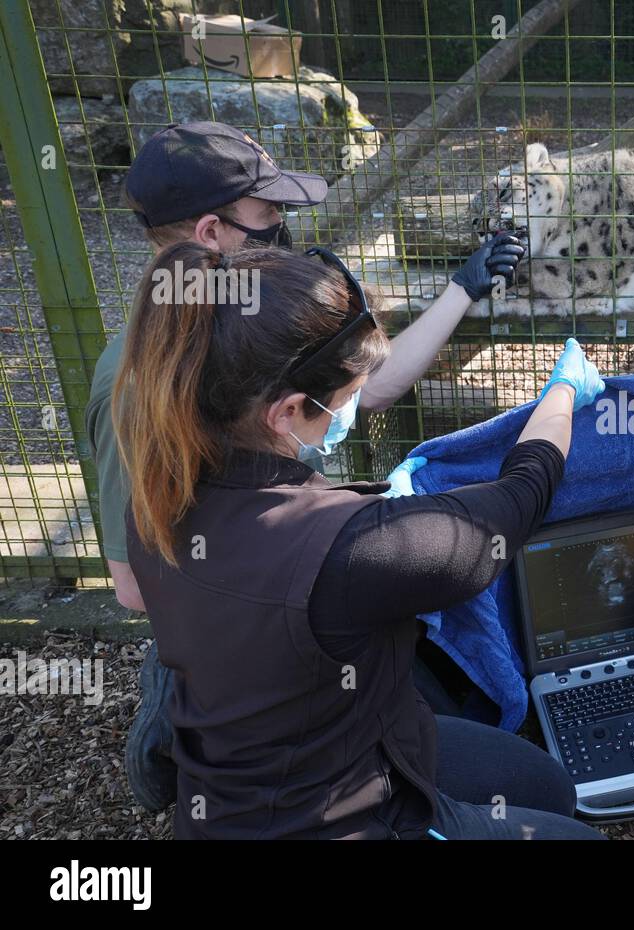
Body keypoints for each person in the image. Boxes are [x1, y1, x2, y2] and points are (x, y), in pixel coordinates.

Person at [89, 121, 526, 809]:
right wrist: (307, 569)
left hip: (316, 589)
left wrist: (461, 290)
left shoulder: (238, 321)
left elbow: (363, 389)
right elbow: (136, 584)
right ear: (211, 232)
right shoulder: (146, 383)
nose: (285, 231)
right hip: (259, 642)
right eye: (270, 218)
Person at [114, 241, 606, 839]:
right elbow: (516, 501)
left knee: (545, 787)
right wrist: (560, 395)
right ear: (288, 411)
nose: (354, 407)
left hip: (248, 781)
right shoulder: (350, 551)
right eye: (346, 398)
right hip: (338, 819)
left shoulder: (159, 494)